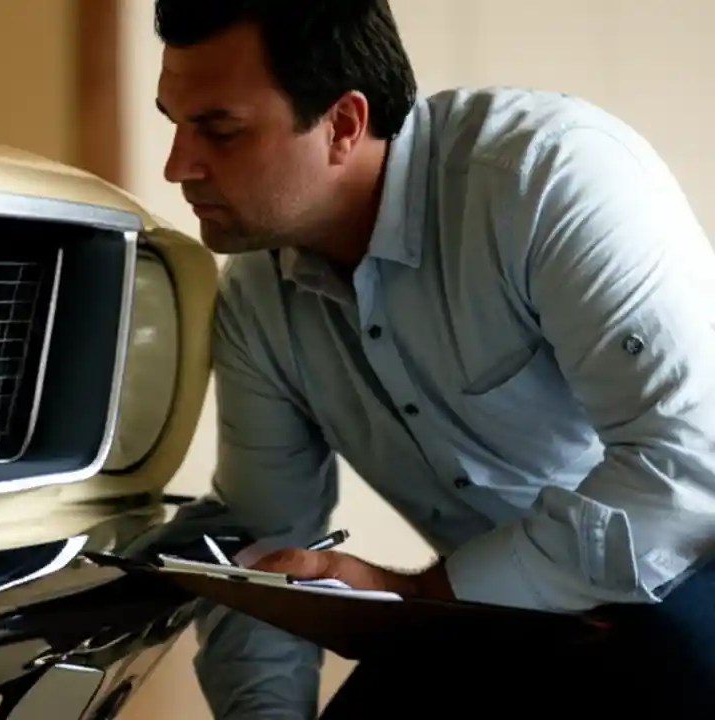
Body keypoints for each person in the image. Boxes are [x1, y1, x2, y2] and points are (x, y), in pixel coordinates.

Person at [147, 1, 715, 718]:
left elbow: (690, 473)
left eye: (219, 131)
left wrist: (420, 595)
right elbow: (265, 568)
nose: (177, 166)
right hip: (486, 617)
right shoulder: (258, 305)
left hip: (688, 574)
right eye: (174, 121)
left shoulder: (545, 180)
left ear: (343, 125)